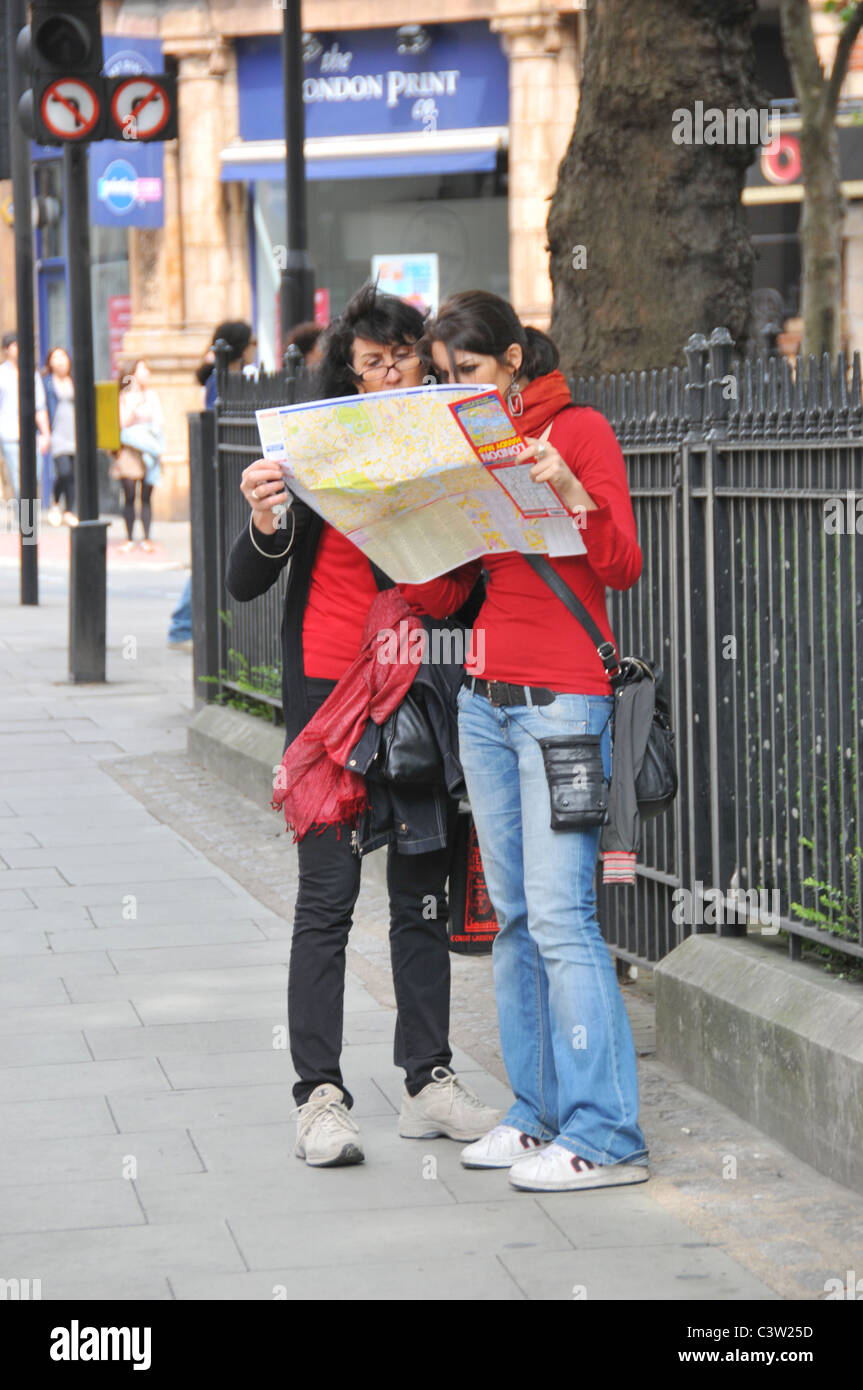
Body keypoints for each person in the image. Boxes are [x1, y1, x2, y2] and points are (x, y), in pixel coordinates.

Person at [225, 282, 500, 1167]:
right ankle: (320, 1097)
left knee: (420, 896)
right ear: (349, 376)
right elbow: (244, 582)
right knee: (327, 900)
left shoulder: (444, 446)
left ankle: (426, 1079)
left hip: (419, 691)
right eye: (372, 364)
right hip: (328, 696)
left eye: (402, 358)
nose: (389, 375)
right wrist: (266, 515)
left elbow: (478, 578)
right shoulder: (314, 451)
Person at [424, 290, 649, 1193]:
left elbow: (621, 565)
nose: (456, 389)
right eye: (444, 377)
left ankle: (607, 1133)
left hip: (560, 701)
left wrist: (565, 486)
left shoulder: (581, 428)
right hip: (484, 697)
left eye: (468, 372)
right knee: (512, 920)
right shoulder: (468, 442)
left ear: (513, 359)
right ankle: (537, 1115)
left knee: (561, 919)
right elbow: (447, 599)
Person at [168, 322, 257, 649]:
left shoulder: (226, 378)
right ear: (239, 346)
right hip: (218, 477)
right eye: (252, 342)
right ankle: (181, 625)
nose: (255, 348)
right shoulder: (221, 380)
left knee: (218, 550)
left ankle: (188, 625)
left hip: (225, 475)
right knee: (213, 551)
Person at [113, 359, 164, 554]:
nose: (147, 373)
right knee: (129, 495)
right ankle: (128, 537)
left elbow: (159, 420)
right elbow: (123, 422)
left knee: (146, 496)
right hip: (129, 450)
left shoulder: (152, 395)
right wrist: (135, 405)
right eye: (143, 369)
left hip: (149, 449)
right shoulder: (124, 396)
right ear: (133, 373)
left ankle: (147, 537)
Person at [0, 332, 51, 501]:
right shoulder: (2, 374)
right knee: (18, 481)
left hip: (31, 435)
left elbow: (40, 405)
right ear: (6, 350)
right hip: (10, 434)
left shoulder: (32, 373)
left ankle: (29, 522)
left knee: (33, 479)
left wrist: (45, 433)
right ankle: (27, 524)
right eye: (14, 345)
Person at [42, 347, 76, 526]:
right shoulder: (46, 383)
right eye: (55, 357)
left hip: (74, 432)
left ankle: (69, 510)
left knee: (73, 475)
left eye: (63, 356)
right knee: (64, 471)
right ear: (49, 362)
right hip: (57, 433)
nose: (61, 361)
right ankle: (55, 503)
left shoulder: (74, 380)